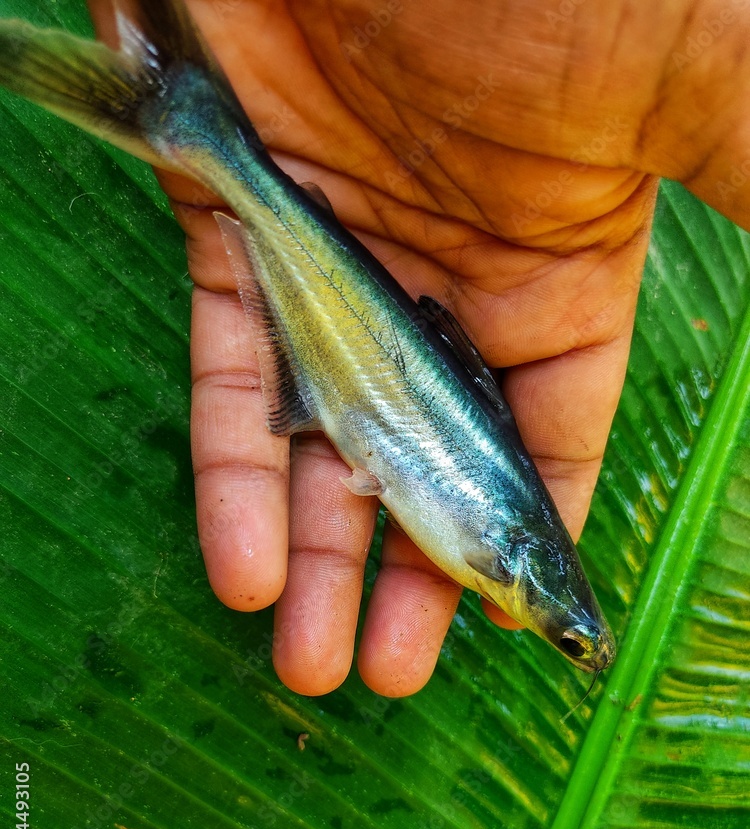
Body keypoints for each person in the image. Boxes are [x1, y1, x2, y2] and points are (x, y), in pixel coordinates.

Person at [90, 0, 750, 697]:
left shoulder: (515, 557)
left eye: (573, 643)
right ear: (527, 575)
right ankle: (193, 117)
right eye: (572, 639)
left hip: (358, 369)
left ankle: (187, 115)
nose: (569, 643)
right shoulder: (507, 560)